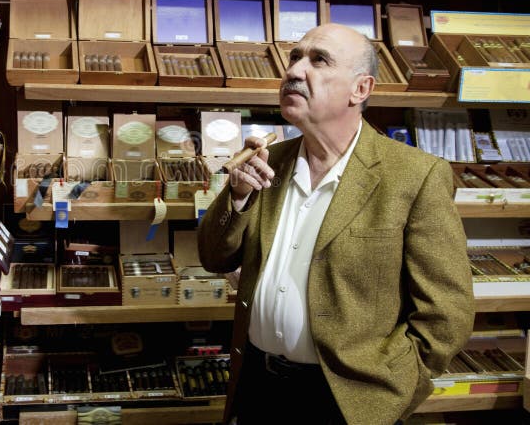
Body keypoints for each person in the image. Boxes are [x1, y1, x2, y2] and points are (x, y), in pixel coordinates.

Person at [197, 23, 474, 425]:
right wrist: (237, 196)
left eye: (319, 60)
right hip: (258, 385)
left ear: (360, 89)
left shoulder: (415, 175)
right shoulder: (268, 162)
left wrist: (391, 393)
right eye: (295, 57)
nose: (294, 71)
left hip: (350, 402)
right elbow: (213, 258)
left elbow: (446, 314)